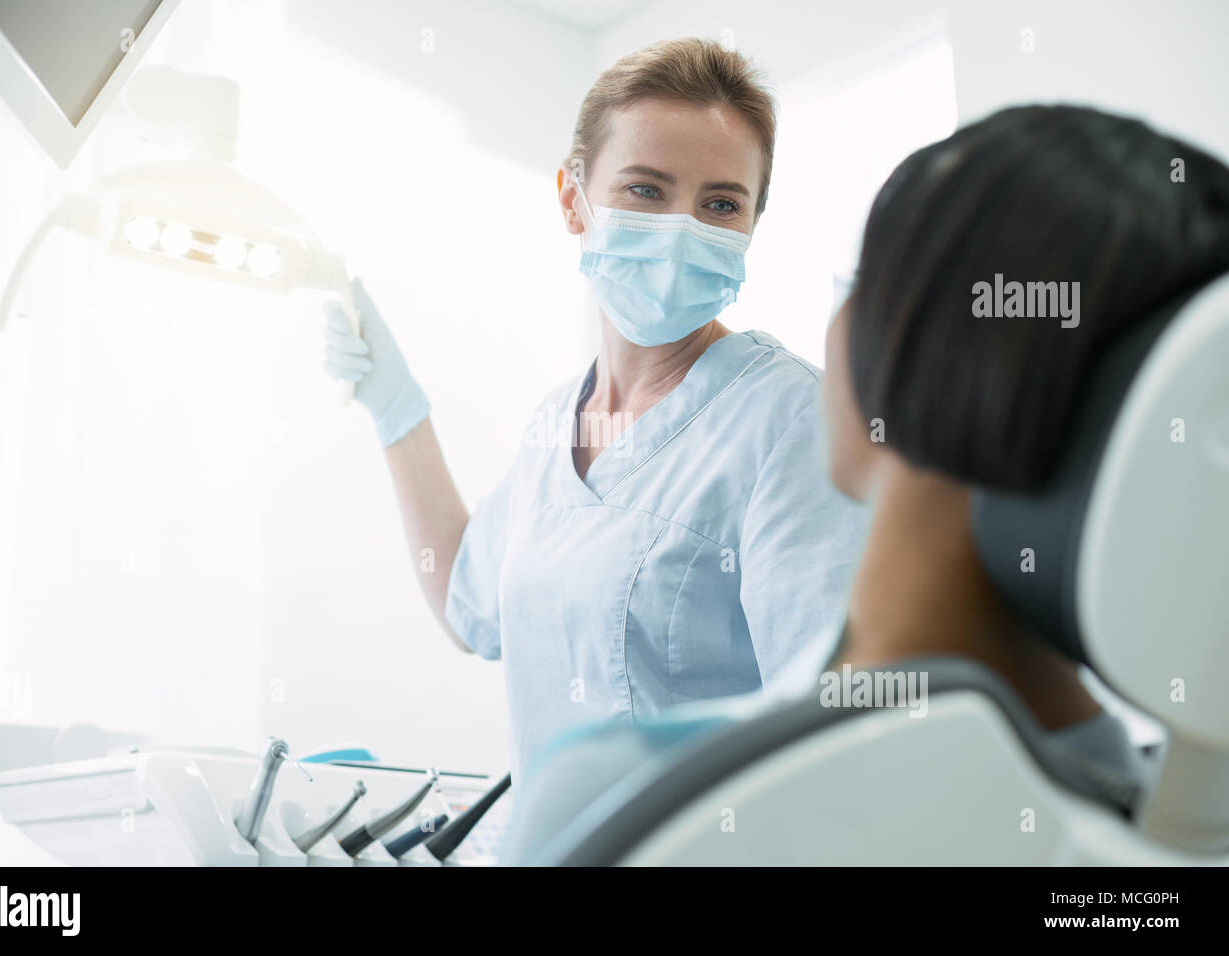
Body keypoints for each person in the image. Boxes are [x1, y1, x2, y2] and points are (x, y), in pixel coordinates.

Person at [499, 104, 1229, 857]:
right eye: (647, 191)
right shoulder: (1168, 822)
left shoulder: (619, 794)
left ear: (877, 344)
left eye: (863, 279)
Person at [322, 38, 867, 781]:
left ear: (750, 226)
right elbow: (468, 602)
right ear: (572, 200)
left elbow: (835, 742)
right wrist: (396, 411)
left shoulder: (792, 422)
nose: (682, 230)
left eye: (719, 204)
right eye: (645, 190)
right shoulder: (558, 421)